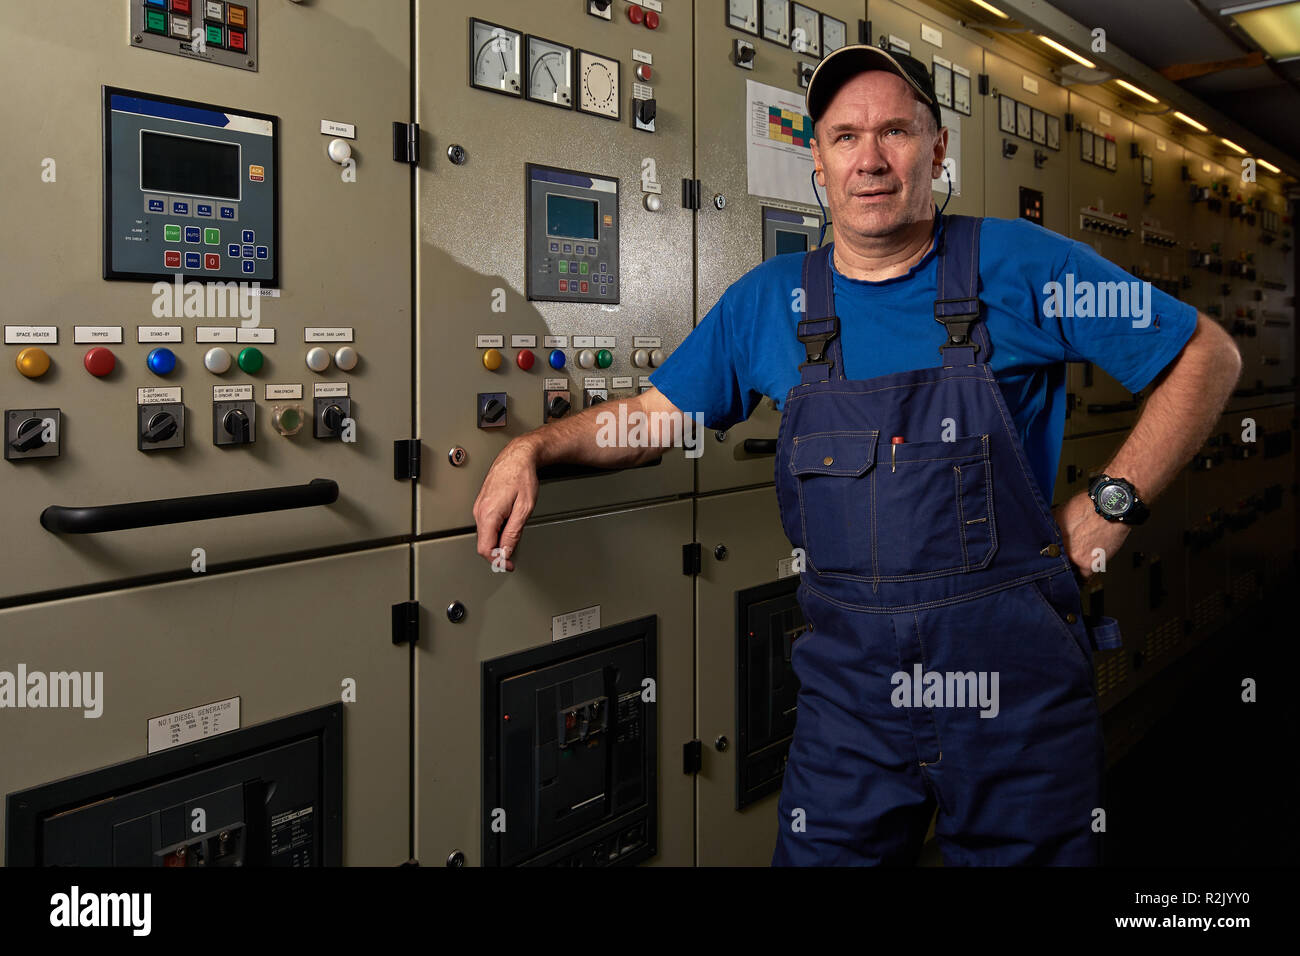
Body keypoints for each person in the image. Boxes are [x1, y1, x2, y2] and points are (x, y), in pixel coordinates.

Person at [473, 45, 1242, 865]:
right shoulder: (770, 301)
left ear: (937, 149)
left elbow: (1207, 356)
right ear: (818, 159)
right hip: (850, 707)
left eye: (895, 132)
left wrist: (1111, 506)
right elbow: (649, 420)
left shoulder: (1022, 264)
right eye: (845, 137)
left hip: (1012, 696)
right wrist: (533, 448)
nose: (870, 159)